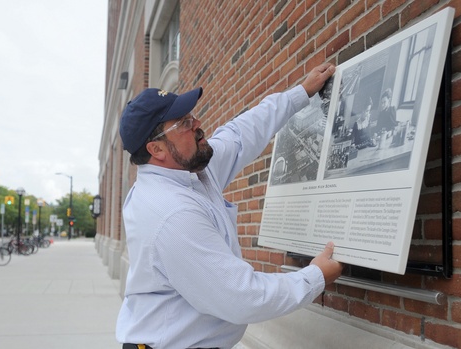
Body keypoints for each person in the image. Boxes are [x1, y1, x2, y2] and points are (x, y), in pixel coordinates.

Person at [117, 63, 343, 349]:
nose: (197, 124)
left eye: (190, 116)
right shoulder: (171, 214)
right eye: (184, 123)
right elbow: (242, 297)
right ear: (157, 150)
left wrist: (299, 94)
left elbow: (239, 134)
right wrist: (315, 277)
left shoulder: (191, 169)